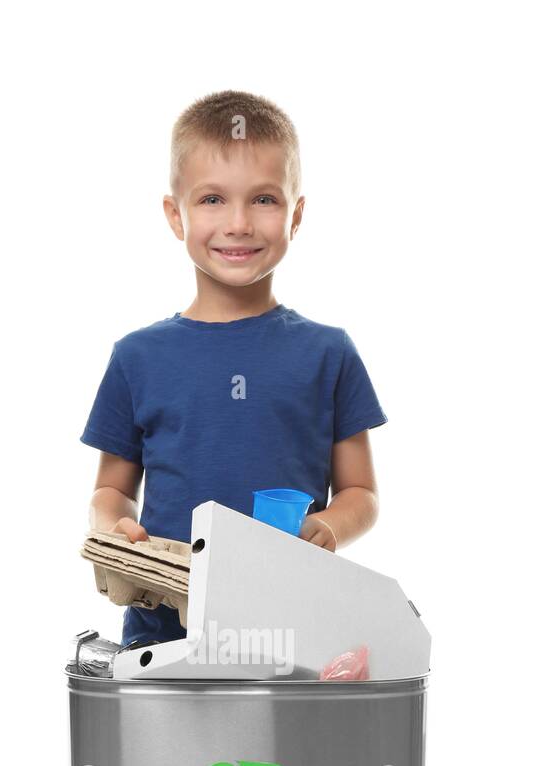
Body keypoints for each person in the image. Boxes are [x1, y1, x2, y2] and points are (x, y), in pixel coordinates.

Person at [80, 89, 387, 650]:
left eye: (265, 200)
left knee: (279, 746)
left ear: (295, 215)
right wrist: (114, 529)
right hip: (164, 635)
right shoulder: (136, 358)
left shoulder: (329, 354)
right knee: (175, 746)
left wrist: (330, 526)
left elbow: (360, 491)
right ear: (177, 214)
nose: (239, 223)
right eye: (213, 199)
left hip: (293, 633)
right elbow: (112, 490)